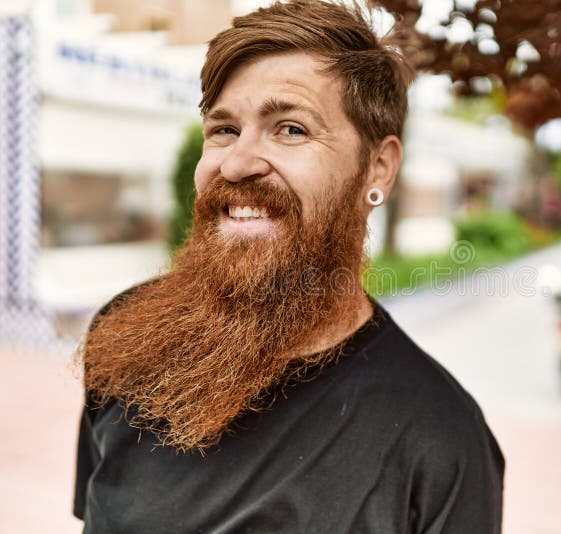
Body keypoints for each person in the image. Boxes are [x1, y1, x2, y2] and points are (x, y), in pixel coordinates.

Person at [73, 1, 504, 532]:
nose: (236, 163)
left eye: (291, 129)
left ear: (378, 167)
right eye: (224, 130)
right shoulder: (123, 337)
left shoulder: (438, 437)